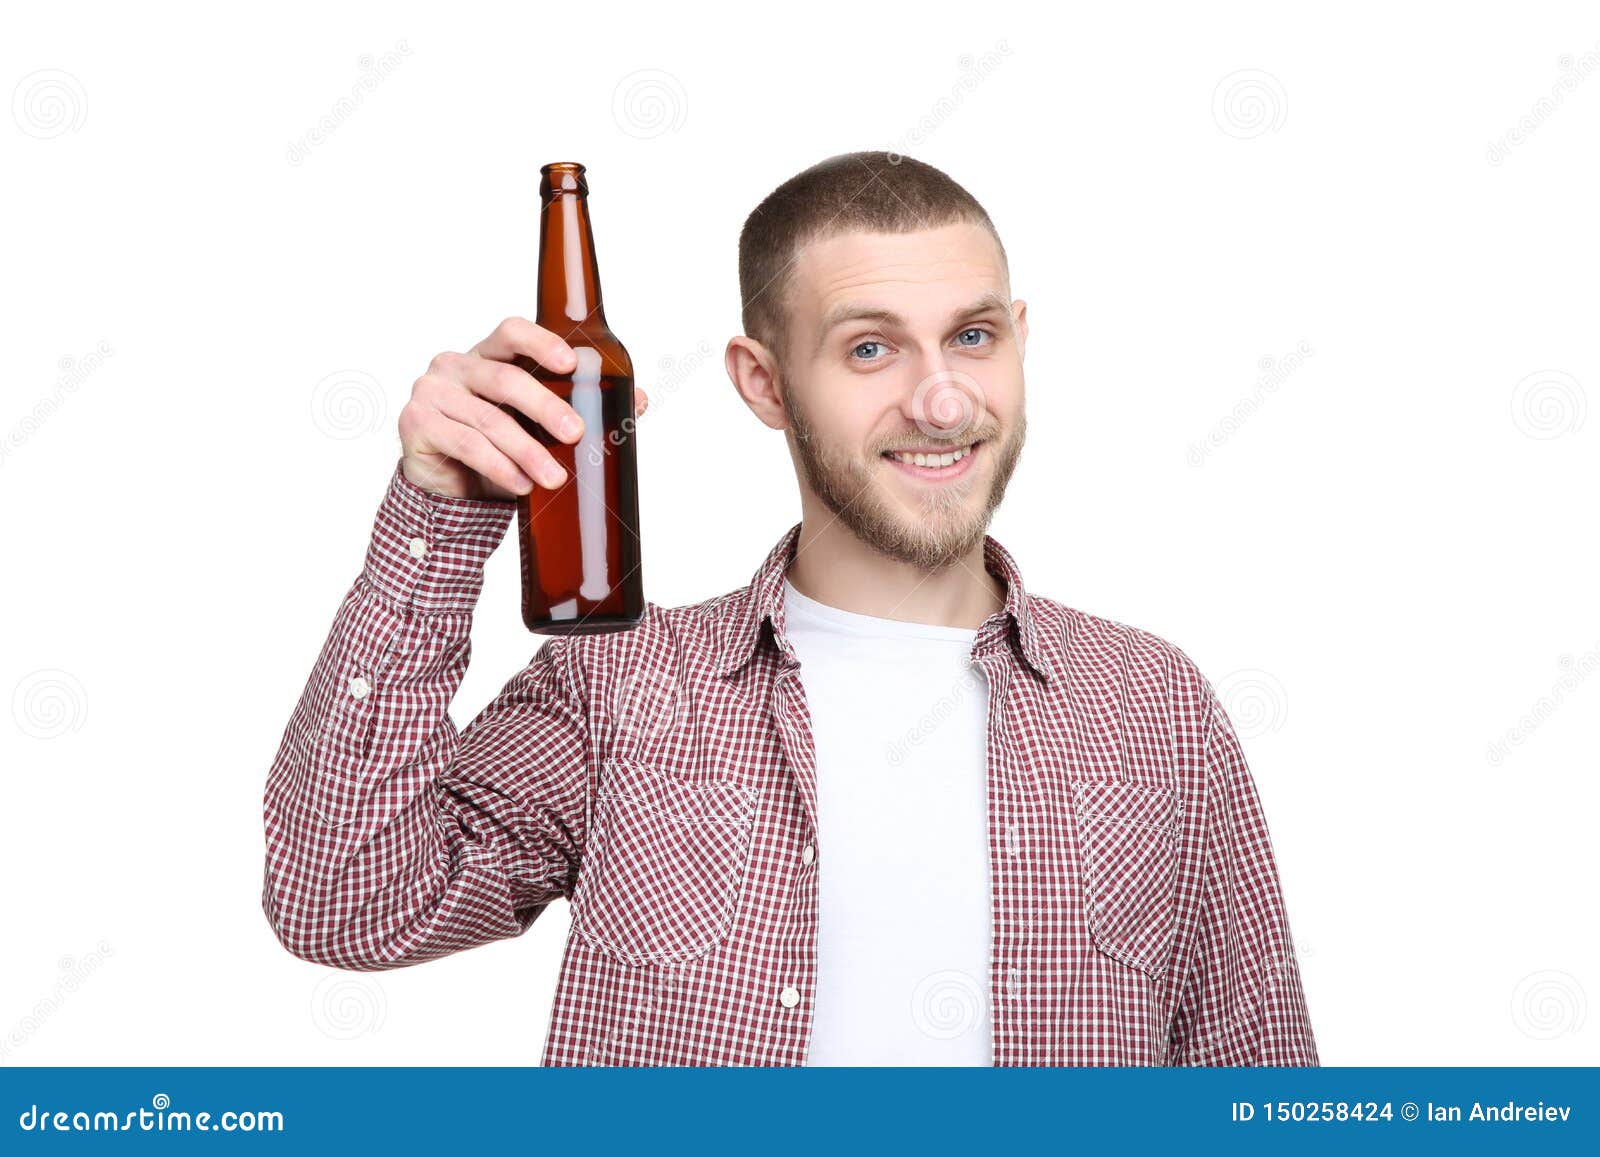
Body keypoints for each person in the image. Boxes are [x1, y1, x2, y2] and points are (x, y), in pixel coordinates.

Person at [261, 150, 1318, 1068]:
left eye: (974, 336)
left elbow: (1258, 1080)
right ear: (761, 383)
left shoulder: (1154, 702)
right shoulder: (623, 682)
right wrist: (436, 523)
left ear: (1021, 338)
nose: (941, 399)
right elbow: (343, 901)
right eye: (869, 348)